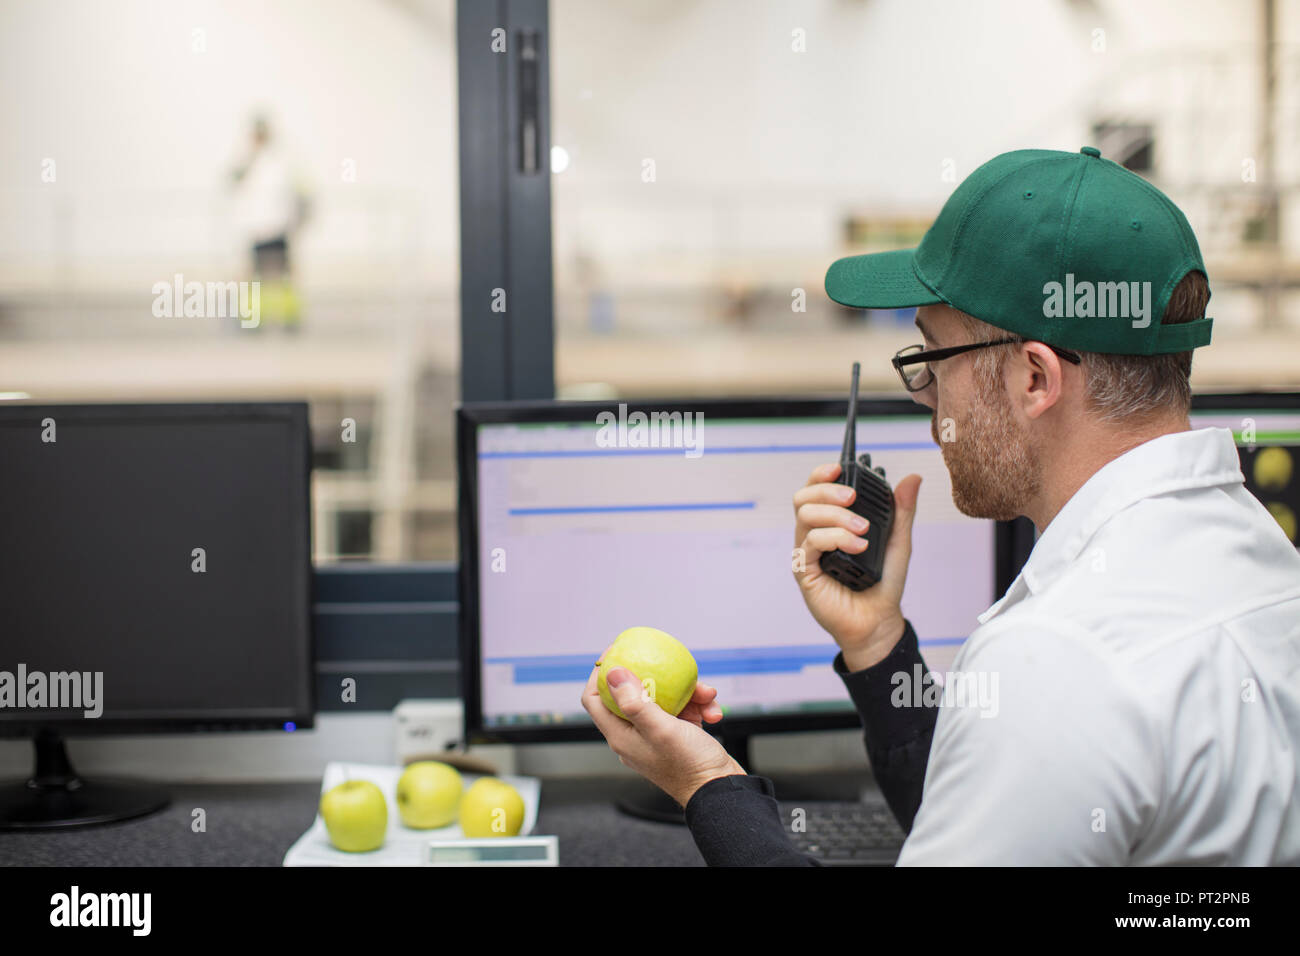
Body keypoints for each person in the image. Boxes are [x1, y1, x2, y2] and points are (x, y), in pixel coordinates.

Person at [581, 146, 1300, 865]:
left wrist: (708, 784)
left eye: (930, 361)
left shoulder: (1062, 657)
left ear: (1034, 377)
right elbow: (998, 824)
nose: (927, 402)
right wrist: (876, 645)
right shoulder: (1259, 559)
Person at [229, 114, 311, 331]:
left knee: (282, 276)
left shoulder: (280, 161)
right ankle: (253, 318)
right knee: (256, 277)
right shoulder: (249, 161)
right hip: (258, 227)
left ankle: (289, 317)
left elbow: (296, 192)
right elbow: (233, 181)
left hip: (278, 226)